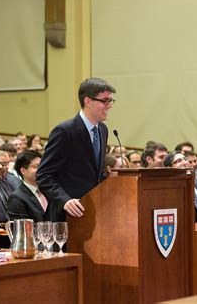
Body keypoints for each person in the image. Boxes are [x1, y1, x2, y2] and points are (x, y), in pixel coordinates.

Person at [36, 77, 116, 221]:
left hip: (93, 212)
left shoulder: (102, 130)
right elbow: (44, 175)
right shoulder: (65, 131)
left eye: (111, 101)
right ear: (88, 101)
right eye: (105, 100)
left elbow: (95, 174)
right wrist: (65, 200)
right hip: (67, 215)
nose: (109, 105)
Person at [163, 151, 197, 222]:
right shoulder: (171, 192)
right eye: (179, 161)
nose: (185, 162)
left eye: (185, 159)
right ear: (169, 168)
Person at [8, 150, 49, 222]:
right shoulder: (17, 197)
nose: (41, 169)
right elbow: (23, 230)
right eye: (36, 166)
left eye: (42, 166)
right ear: (23, 171)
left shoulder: (49, 191)